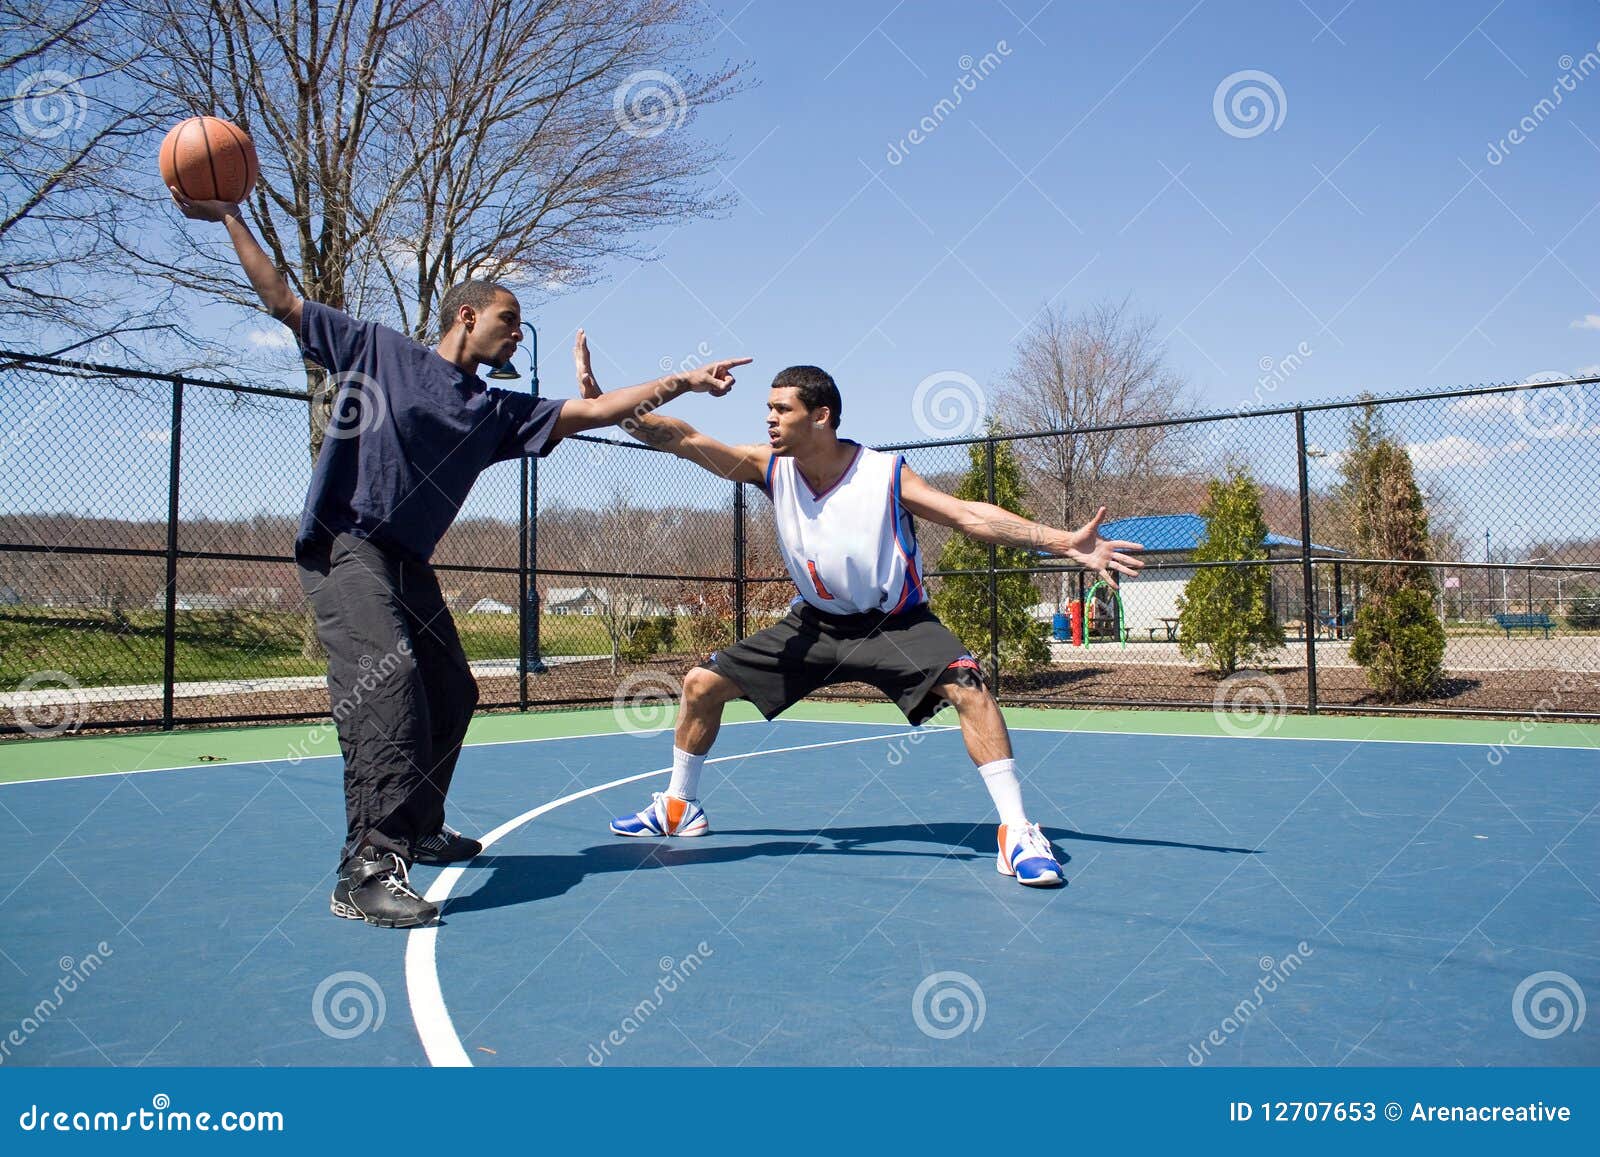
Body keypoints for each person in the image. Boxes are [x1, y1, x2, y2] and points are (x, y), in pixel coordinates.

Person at [170, 190, 748, 928]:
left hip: (406, 560)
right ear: (467, 316)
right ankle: (367, 866)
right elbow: (284, 301)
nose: (517, 335)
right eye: (509, 320)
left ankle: (419, 827)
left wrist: (683, 380)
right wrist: (229, 215)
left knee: (452, 691)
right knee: (391, 685)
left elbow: (596, 411)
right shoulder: (377, 349)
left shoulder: (494, 411)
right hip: (347, 546)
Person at [575, 334, 1141, 887]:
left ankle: (1017, 832)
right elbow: (679, 436)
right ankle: (679, 807)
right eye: (767, 408)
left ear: (821, 416)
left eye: (781, 409)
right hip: (815, 624)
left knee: (970, 690)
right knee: (701, 684)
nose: (769, 419)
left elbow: (967, 515)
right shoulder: (769, 467)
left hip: (897, 624)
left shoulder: (884, 474)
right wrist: (611, 406)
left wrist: (1062, 542)